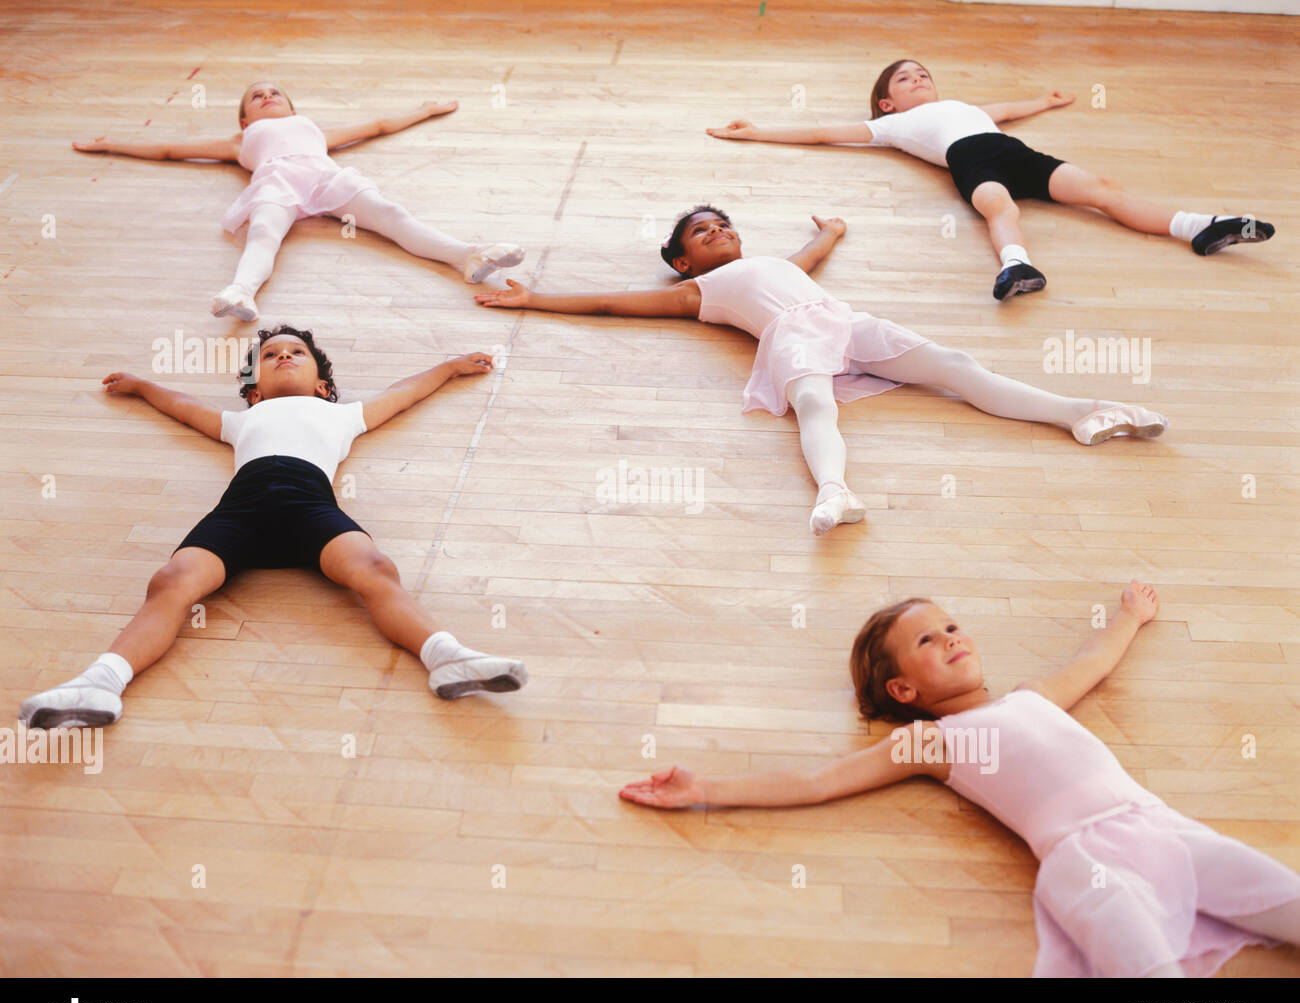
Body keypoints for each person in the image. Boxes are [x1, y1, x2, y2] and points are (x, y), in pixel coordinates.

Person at [621, 582, 1300, 978]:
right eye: (927, 642)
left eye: (949, 625)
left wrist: (1131, 615)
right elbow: (818, 781)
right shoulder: (930, 742)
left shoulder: (1033, 696)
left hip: (1160, 827)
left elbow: (1094, 662)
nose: (951, 637)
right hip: (1084, 862)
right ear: (903, 689)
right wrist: (705, 787)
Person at [476, 206, 1167, 535]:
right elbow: (606, 303)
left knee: (954, 365)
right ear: (683, 262)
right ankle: (834, 492)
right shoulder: (698, 292)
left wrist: (832, 233)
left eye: (724, 224)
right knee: (814, 406)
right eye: (702, 233)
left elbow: (806, 258)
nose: (720, 232)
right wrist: (533, 299)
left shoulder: (774, 263)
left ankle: (1079, 411)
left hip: (841, 317)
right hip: (789, 338)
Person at [19, 325, 528, 729]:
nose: (283, 356)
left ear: (323, 386)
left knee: (375, 568)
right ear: (254, 392)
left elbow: (404, 392)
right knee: (170, 581)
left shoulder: (345, 415)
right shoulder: (242, 421)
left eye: (296, 353)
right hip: (241, 511)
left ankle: (447, 657)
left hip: (311, 506)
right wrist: (143, 386)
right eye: (270, 355)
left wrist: (448, 367)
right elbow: (183, 407)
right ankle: (101, 681)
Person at [707, 60, 1275, 300]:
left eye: (923, 72)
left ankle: (1199, 226)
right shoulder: (891, 126)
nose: (919, 78)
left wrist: (1043, 101)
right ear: (887, 101)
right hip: (972, 162)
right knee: (1002, 209)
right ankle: (1015, 265)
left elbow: (1000, 110)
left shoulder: (960, 103)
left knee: (1104, 190)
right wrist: (756, 131)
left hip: (1015, 150)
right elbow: (825, 132)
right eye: (905, 78)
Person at [73, 82, 525, 320]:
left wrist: (426, 110)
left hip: (325, 178)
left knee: (391, 216)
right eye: (257, 95)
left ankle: (468, 256)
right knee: (265, 233)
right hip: (277, 183)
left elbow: (380, 124)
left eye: (275, 92)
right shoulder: (239, 141)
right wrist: (112, 143)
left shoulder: (314, 130)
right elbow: (172, 150)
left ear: (291, 108)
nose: (267, 95)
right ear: (246, 117)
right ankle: (241, 292)